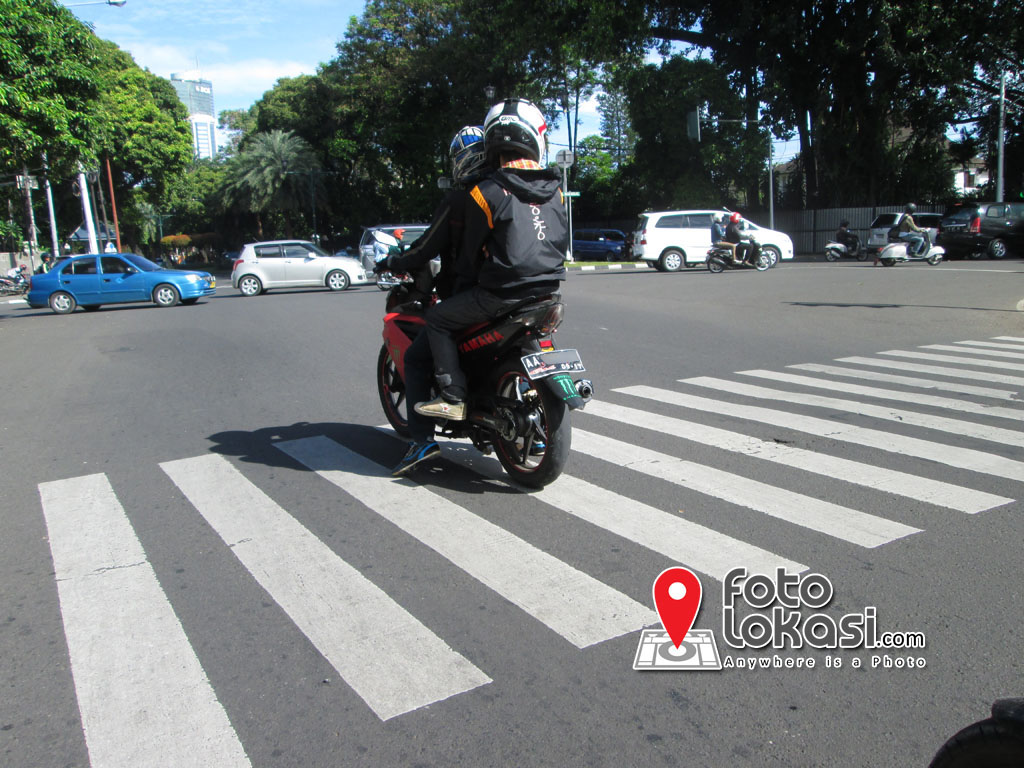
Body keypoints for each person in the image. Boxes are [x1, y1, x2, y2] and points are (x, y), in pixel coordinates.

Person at [411, 98, 567, 444]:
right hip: (548, 290)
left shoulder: (485, 192)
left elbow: (468, 257)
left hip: (499, 295)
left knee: (437, 320)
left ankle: (453, 396)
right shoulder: (555, 191)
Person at [383, 125, 490, 475]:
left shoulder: (460, 200)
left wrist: (394, 262)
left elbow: (426, 248)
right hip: (524, 291)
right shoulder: (509, 192)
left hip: (471, 296)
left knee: (415, 358)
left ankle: (422, 440)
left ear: (462, 160)